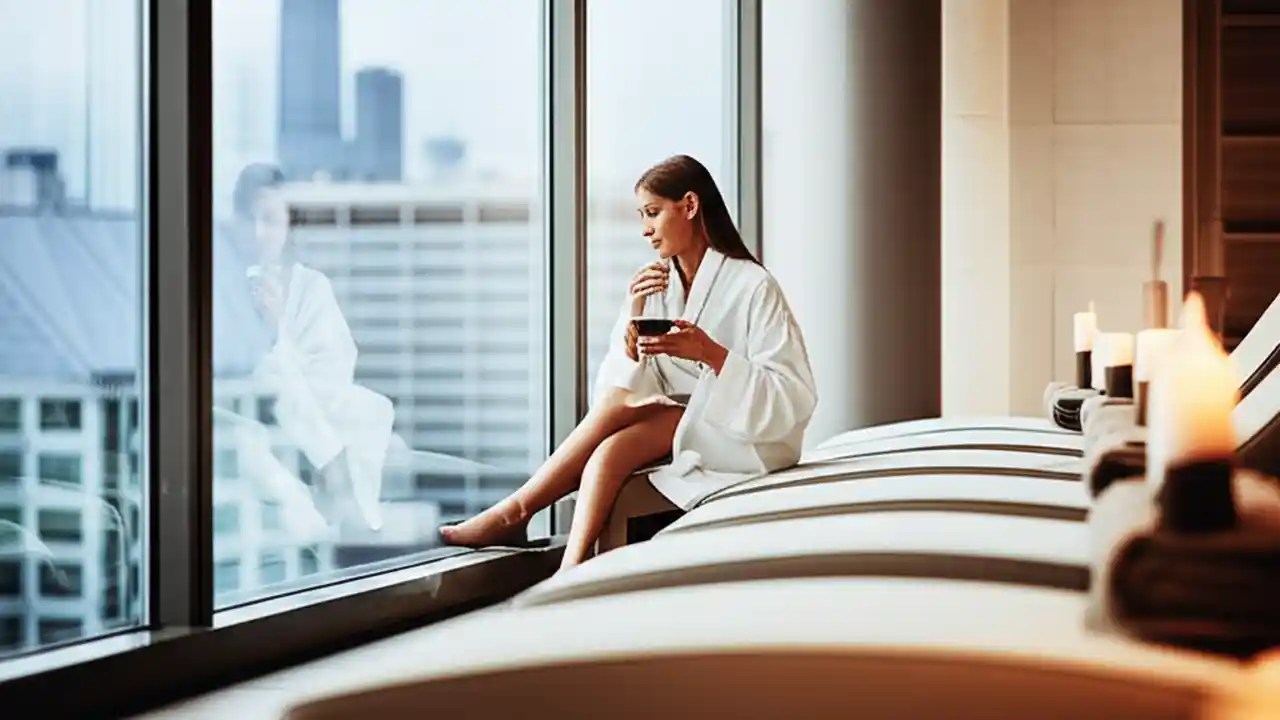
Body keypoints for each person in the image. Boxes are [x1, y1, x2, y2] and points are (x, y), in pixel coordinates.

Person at [440, 154, 818, 570]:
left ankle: (515, 513)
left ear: (690, 205)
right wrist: (631, 328)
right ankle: (569, 566)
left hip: (742, 435)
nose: (645, 230)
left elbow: (793, 394)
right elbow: (620, 387)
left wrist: (709, 352)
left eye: (653, 213)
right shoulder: (656, 281)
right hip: (679, 418)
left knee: (618, 424)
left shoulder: (754, 285)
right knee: (608, 453)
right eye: (642, 216)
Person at [228, 163, 395, 533]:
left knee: (370, 408)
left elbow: (332, 370)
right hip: (246, 411)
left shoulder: (311, 287)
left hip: (304, 409)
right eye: (249, 219)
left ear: (288, 226)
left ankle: (341, 496)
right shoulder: (217, 283)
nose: (258, 233)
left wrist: (279, 335)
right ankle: (333, 477)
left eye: (270, 220)